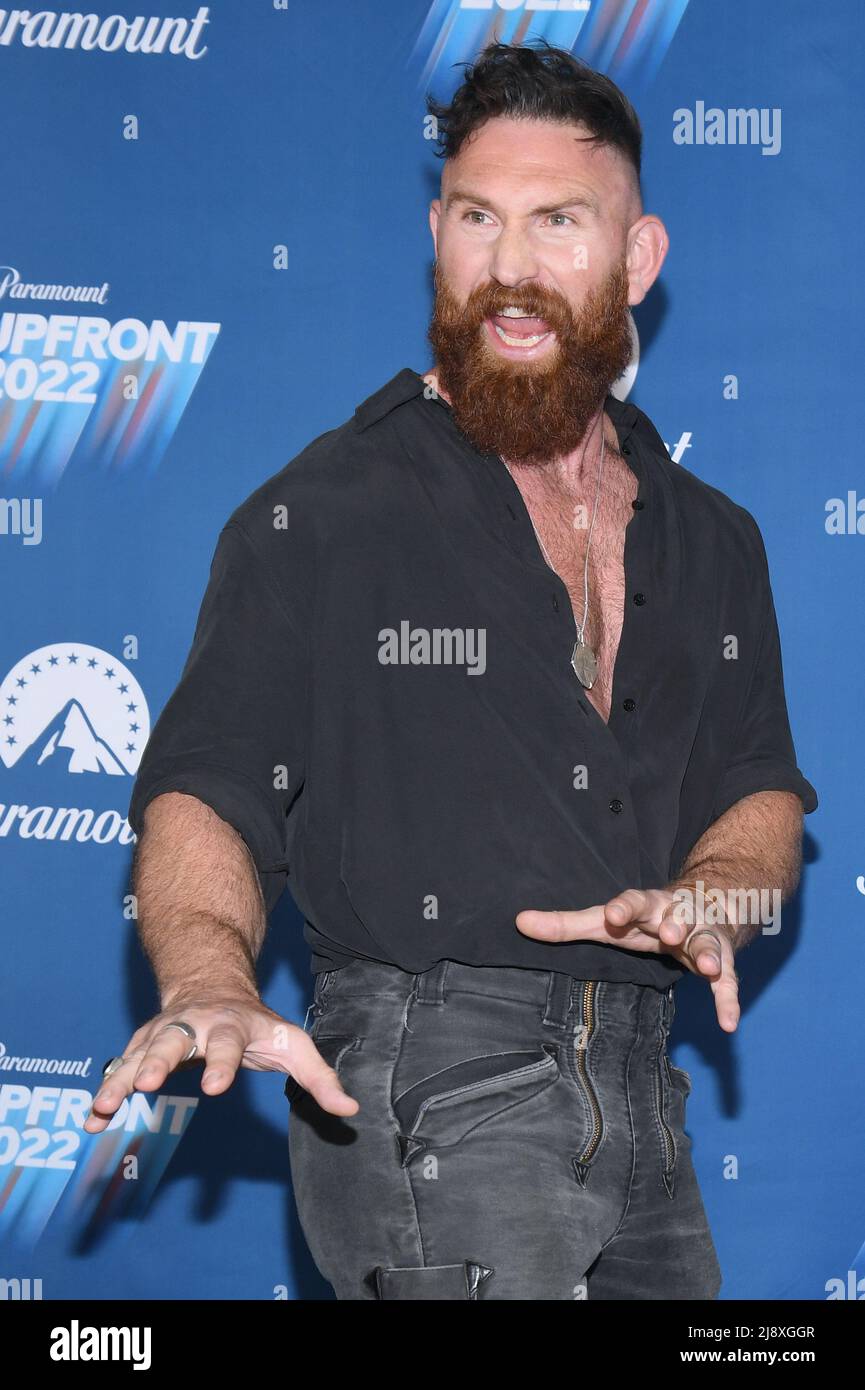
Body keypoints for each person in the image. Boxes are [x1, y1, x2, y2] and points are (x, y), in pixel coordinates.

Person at [85, 41, 817, 1300]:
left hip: (645, 1096)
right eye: (477, 219)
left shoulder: (714, 536)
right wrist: (208, 979)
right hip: (433, 1081)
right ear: (437, 236)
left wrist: (716, 893)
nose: (510, 268)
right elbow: (207, 789)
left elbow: (758, 791)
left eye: (557, 222)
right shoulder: (323, 514)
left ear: (638, 258)